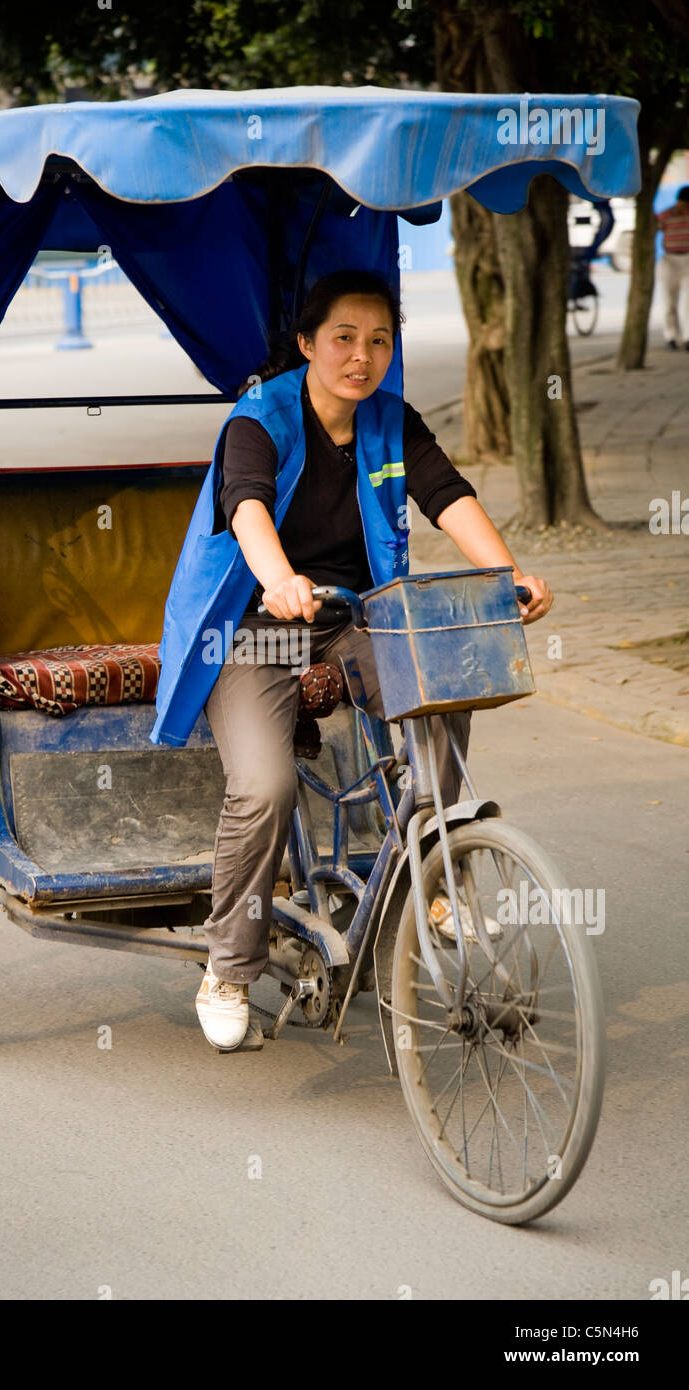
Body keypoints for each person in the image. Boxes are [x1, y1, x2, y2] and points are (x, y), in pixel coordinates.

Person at [149, 268, 553, 1051]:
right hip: (251, 624)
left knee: (446, 673)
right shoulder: (260, 418)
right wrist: (280, 580)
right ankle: (228, 967)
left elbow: (451, 496)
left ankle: (438, 880)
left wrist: (509, 580)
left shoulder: (390, 422)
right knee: (262, 786)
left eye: (377, 341)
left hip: (349, 615)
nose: (360, 357)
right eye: (343, 338)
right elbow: (246, 505)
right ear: (307, 344)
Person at [656, 185, 689, 349]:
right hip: (670, 259)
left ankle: (687, 336)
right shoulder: (667, 215)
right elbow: (654, 228)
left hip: (687, 259)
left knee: (688, 300)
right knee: (670, 301)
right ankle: (671, 335)